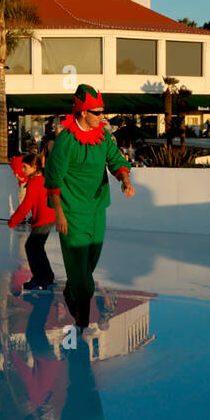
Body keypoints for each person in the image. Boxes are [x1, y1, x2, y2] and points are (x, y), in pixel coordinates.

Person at [44, 85, 135, 330]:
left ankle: (72, 289)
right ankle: (82, 319)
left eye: (102, 111)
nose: (101, 116)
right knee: (79, 268)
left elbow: (116, 159)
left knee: (89, 263)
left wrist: (124, 179)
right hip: (72, 212)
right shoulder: (66, 140)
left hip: (97, 208)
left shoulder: (103, 136)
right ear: (83, 113)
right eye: (96, 112)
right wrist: (59, 213)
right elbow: (53, 178)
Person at [7, 151, 56, 291]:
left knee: (31, 247)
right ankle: (47, 276)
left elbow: (26, 204)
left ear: (34, 167)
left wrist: (13, 220)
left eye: (25, 167)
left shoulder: (35, 181)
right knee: (37, 247)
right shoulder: (40, 178)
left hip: (44, 218)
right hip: (48, 216)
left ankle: (40, 278)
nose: (22, 170)